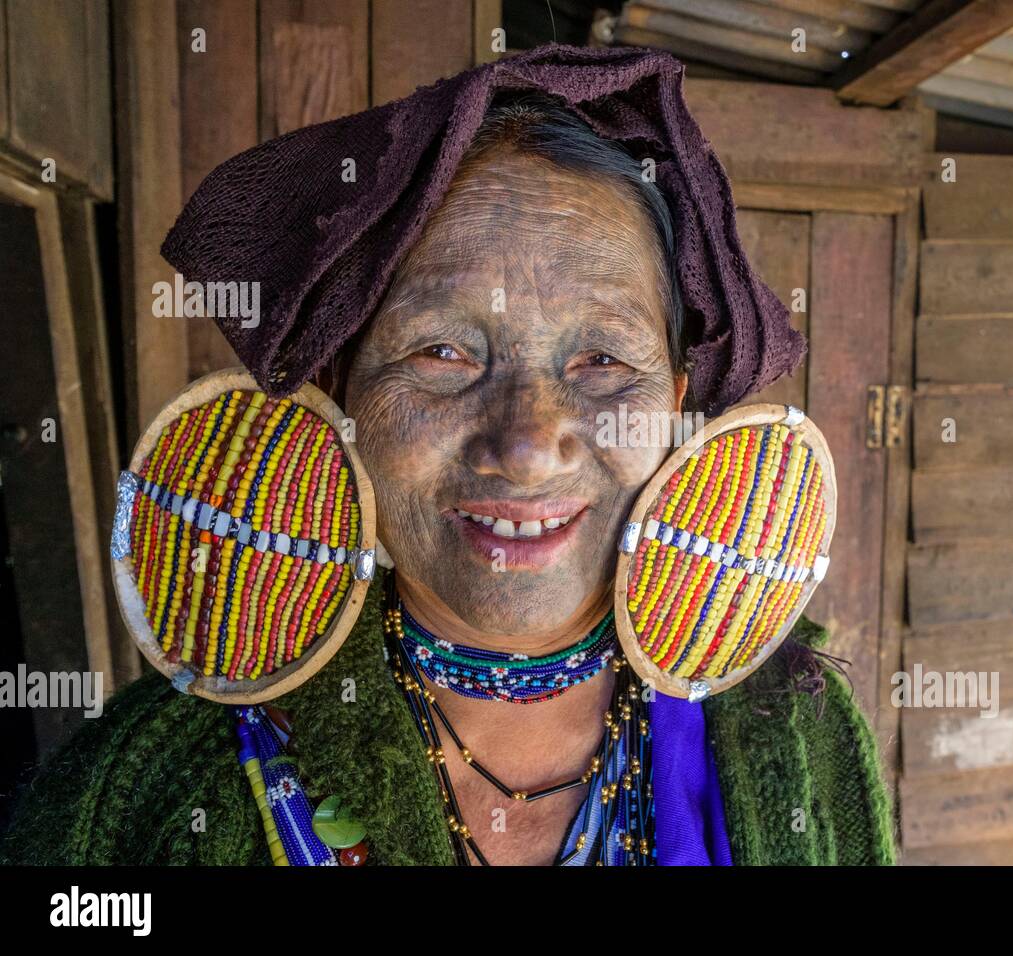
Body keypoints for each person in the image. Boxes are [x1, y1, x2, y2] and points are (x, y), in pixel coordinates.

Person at [0, 44, 895, 866]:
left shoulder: (798, 728)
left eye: (604, 361)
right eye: (442, 353)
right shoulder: (151, 789)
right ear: (343, 391)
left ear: (675, 401)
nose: (528, 447)